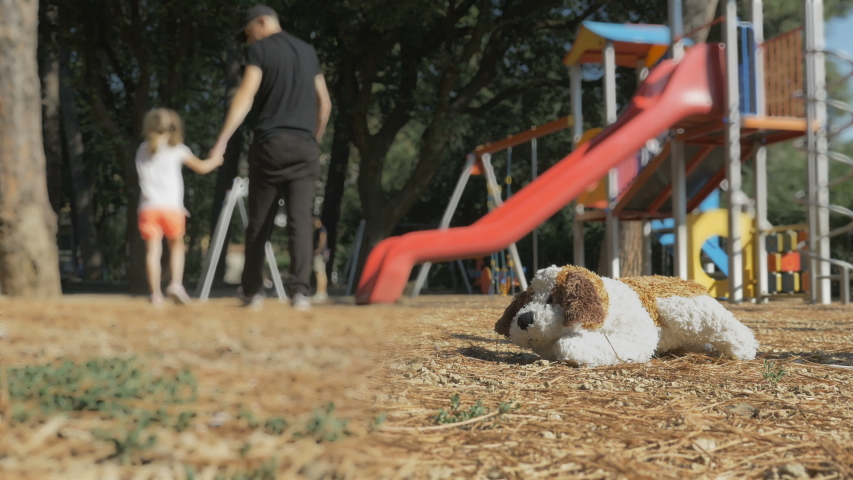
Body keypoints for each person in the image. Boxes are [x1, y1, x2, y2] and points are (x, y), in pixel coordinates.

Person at [209, 5, 332, 311]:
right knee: (300, 221)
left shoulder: (261, 51)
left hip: (270, 144)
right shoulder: (307, 51)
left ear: (261, 22)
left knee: (260, 219)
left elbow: (246, 95)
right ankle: (301, 294)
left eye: (249, 33)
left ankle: (252, 293)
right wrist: (313, 139)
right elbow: (325, 103)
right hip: (305, 146)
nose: (249, 41)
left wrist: (222, 141)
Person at [136, 108, 223, 306]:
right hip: (172, 208)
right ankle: (175, 284)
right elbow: (201, 168)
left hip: (148, 208)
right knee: (176, 247)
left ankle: (155, 294)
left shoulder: (142, 149)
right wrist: (216, 160)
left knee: (152, 252)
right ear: (174, 128)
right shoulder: (179, 150)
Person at [312, 216, 329, 301]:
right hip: (323, 253)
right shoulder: (322, 229)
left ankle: (320, 293)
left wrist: (318, 250)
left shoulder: (321, 229)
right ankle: (323, 292)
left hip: (320, 254)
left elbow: (323, 239)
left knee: (319, 273)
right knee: (321, 273)